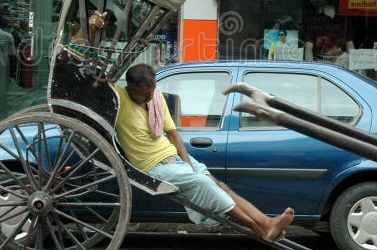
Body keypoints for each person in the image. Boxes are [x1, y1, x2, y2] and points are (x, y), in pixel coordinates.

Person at [114, 63, 295, 241]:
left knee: (218, 185)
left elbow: (173, 134)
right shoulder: (120, 100)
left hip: (174, 159)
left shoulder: (156, 99)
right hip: (153, 166)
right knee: (204, 183)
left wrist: (187, 164)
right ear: (130, 88)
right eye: (145, 94)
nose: (150, 97)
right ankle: (259, 229)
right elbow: (102, 86)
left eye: (152, 91)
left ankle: (267, 222)